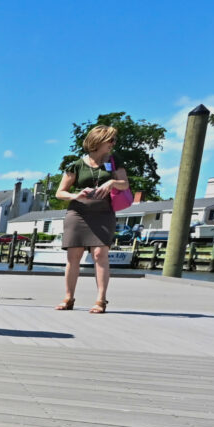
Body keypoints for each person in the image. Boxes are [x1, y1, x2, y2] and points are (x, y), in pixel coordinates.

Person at [53, 125, 130, 313]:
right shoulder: (76, 165)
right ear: (98, 141)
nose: (113, 143)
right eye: (110, 140)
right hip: (78, 214)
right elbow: (59, 192)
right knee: (73, 256)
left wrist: (112, 182)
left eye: (114, 140)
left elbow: (125, 184)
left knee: (99, 255)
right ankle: (68, 298)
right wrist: (76, 195)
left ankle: (100, 300)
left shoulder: (114, 160)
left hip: (103, 214)